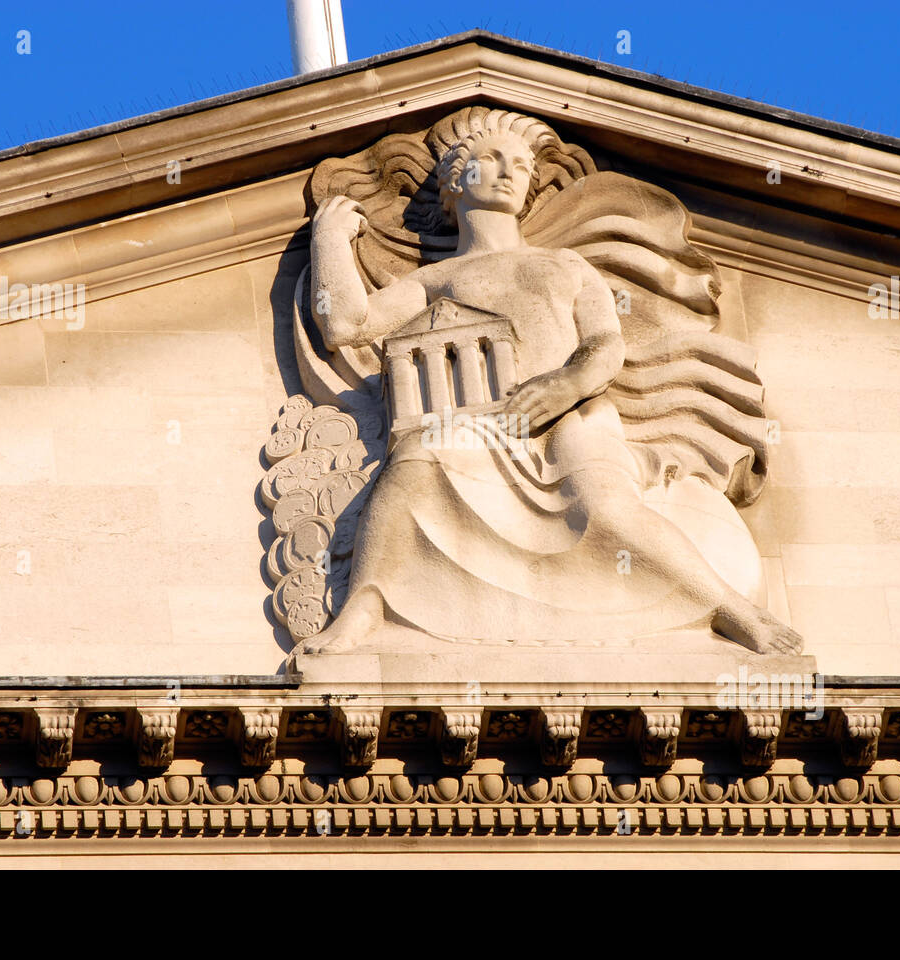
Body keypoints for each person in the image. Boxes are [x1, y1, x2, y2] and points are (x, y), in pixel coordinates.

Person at [294, 108, 801, 657]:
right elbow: (345, 323)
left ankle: (732, 609)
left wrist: (567, 383)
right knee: (413, 464)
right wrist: (329, 240)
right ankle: (363, 611)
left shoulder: (566, 266)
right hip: (483, 423)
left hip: (571, 414)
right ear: (453, 182)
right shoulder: (436, 280)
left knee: (603, 506)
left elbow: (606, 345)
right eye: (490, 159)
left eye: (519, 164)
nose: (509, 171)